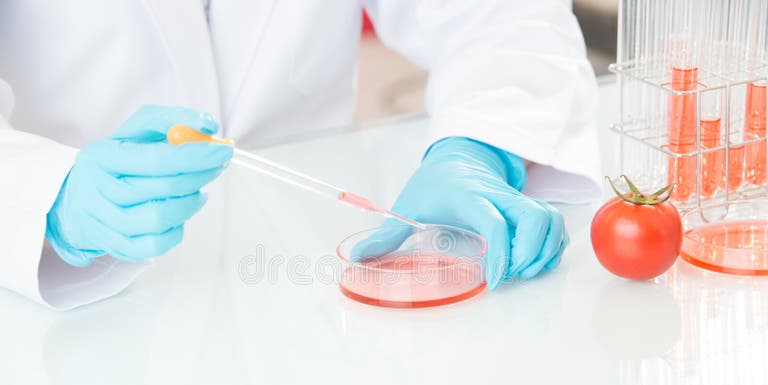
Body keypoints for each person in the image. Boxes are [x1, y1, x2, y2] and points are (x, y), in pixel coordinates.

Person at [0, 0, 600, 309]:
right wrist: (47, 199)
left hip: (299, 286)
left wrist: (483, 143)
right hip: (61, 296)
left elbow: (498, 15)